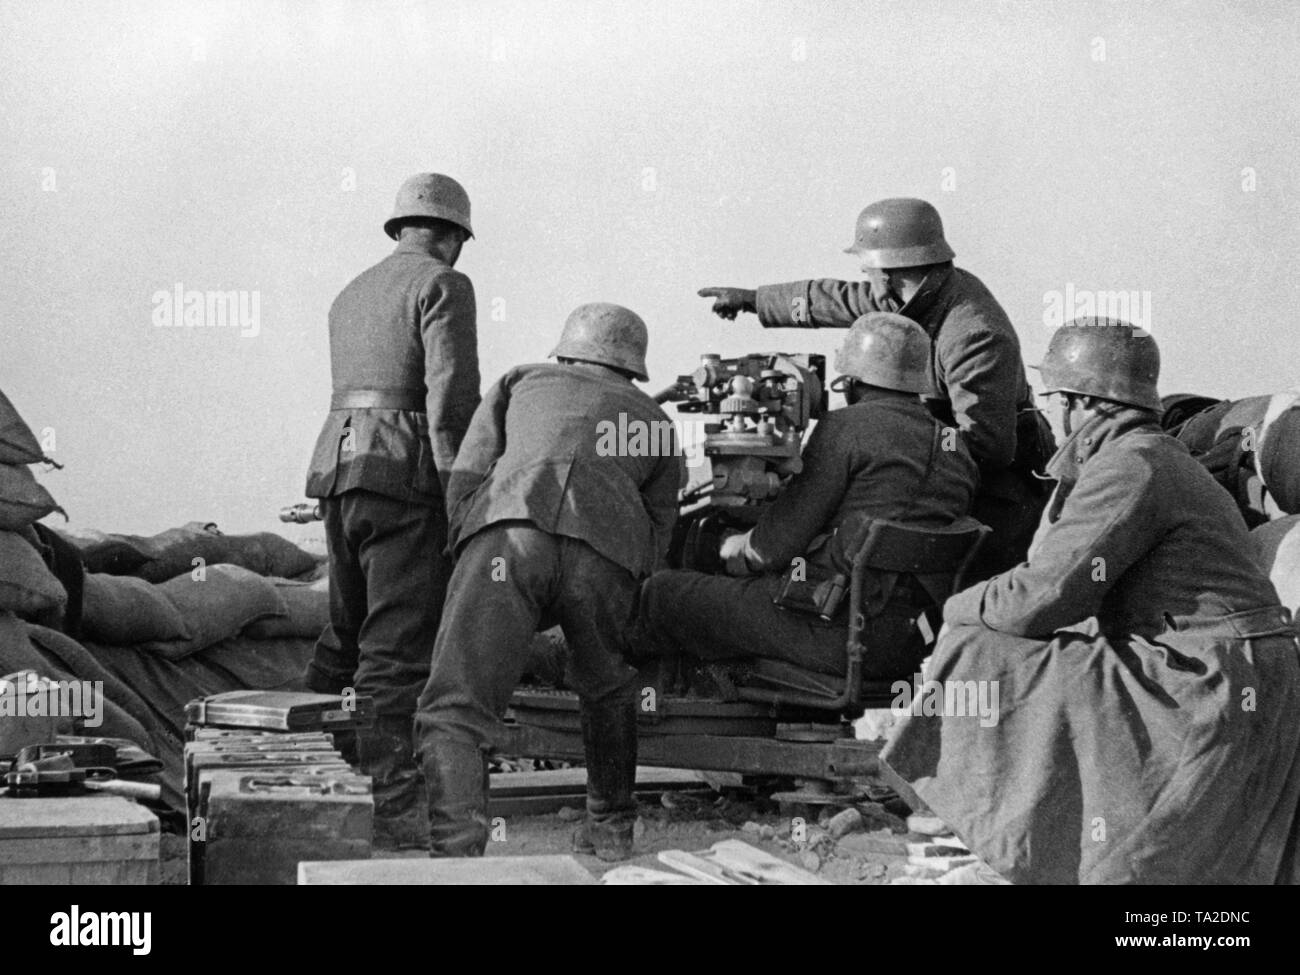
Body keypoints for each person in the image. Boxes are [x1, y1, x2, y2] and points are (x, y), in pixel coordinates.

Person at [881, 319, 1300, 884]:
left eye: (1058, 400)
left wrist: (955, 611)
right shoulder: (1155, 457)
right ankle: (1001, 822)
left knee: (981, 647)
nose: (1055, 415)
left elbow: (1039, 600)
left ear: (1085, 404)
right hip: (1229, 672)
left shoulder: (1130, 466)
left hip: (1208, 681)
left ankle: (980, 819)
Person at [414, 303, 685, 862]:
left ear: (565, 349)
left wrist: (468, 542)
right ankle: (610, 831)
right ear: (635, 368)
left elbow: (467, 472)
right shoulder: (654, 422)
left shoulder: (522, 380)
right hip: (605, 555)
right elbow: (661, 527)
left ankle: (458, 854)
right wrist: (625, 586)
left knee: (456, 705)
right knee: (609, 688)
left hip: (509, 535)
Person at [698, 197, 1054, 578]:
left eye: (867, 269)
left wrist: (893, 447)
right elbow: (836, 299)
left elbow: (989, 445)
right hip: (945, 459)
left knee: (975, 583)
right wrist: (757, 301)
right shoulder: (915, 291)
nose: (866, 278)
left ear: (888, 272)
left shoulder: (973, 335)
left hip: (999, 489)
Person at [631, 312, 978, 679]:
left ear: (851, 380)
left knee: (662, 594)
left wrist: (727, 545)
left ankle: (616, 704)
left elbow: (771, 550)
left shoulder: (844, 429)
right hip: (905, 644)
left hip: (828, 632)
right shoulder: (956, 446)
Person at [302, 173, 480, 849]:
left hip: (339, 470)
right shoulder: (443, 285)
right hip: (403, 476)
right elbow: (450, 399)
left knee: (344, 634)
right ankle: (392, 811)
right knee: (395, 652)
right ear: (452, 234)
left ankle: (298, 767)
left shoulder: (350, 291)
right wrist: (458, 492)